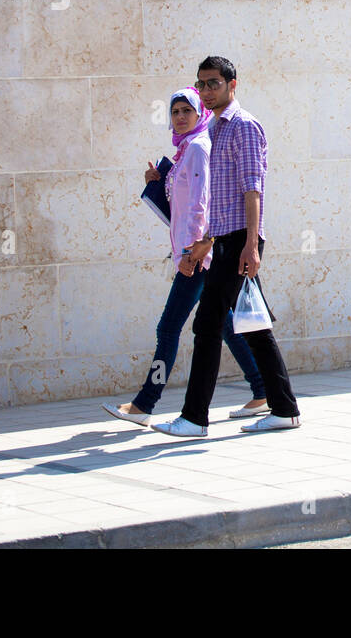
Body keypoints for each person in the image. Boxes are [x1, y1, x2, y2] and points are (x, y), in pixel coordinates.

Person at [152, 56, 302, 437]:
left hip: (241, 241)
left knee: (207, 325)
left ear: (232, 85)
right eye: (201, 84)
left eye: (213, 83)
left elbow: (253, 188)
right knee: (252, 325)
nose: (206, 91)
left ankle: (194, 418)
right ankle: (284, 408)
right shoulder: (215, 130)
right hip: (224, 240)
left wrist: (251, 245)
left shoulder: (244, 127)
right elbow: (219, 201)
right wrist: (204, 243)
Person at [102, 86, 269, 427]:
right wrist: (160, 181)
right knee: (224, 325)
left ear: (199, 114)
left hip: (196, 255)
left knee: (169, 327)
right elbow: (181, 202)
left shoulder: (197, 148)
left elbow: (200, 205)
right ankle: (262, 389)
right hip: (196, 252)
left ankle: (145, 404)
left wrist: (191, 252)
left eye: (186, 111)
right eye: (175, 112)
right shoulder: (186, 150)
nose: (179, 117)